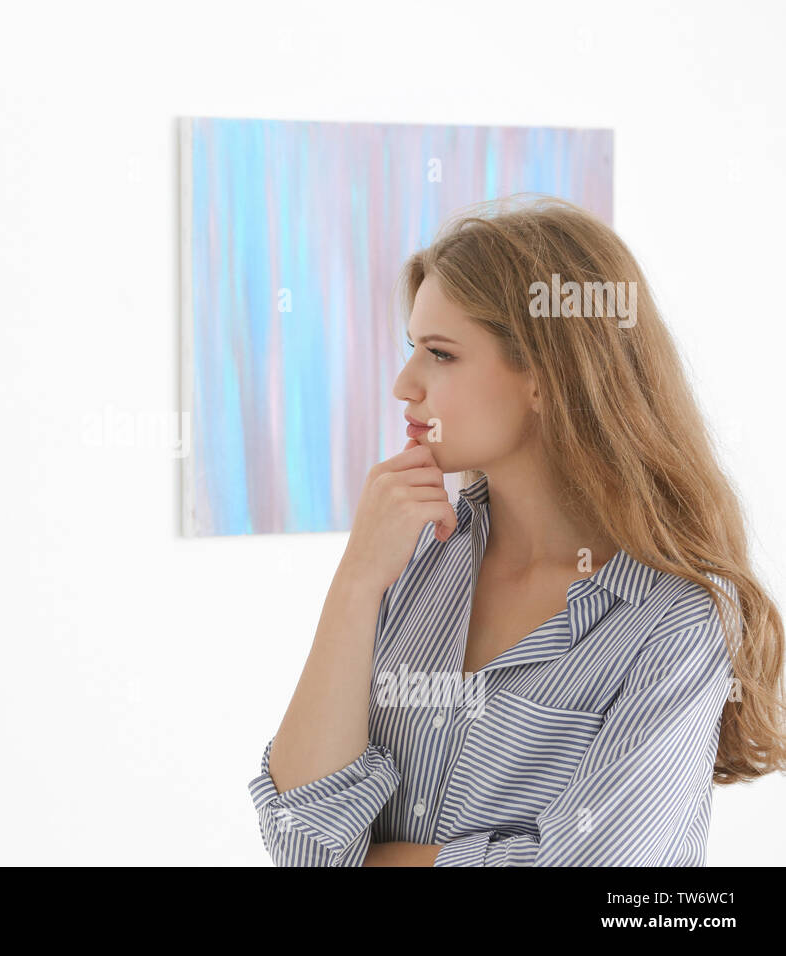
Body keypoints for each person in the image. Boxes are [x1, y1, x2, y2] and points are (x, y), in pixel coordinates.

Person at [248, 195, 786, 866]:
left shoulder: (672, 623)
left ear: (546, 378)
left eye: (441, 355)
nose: (403, 384)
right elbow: (301, 842)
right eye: (413, 348)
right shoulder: (412, 559)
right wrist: (356, 582)